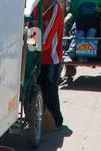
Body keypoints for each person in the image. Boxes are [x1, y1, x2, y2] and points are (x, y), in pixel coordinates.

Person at [32, 0, 68, 130]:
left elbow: (46, 40)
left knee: (50, 89)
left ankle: (56, 121)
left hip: (52, 58)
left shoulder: (56, 10)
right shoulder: (36, 6)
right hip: (37, 55)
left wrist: (30, 43)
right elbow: (33, 25)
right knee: (37, 86)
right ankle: (40, 119)